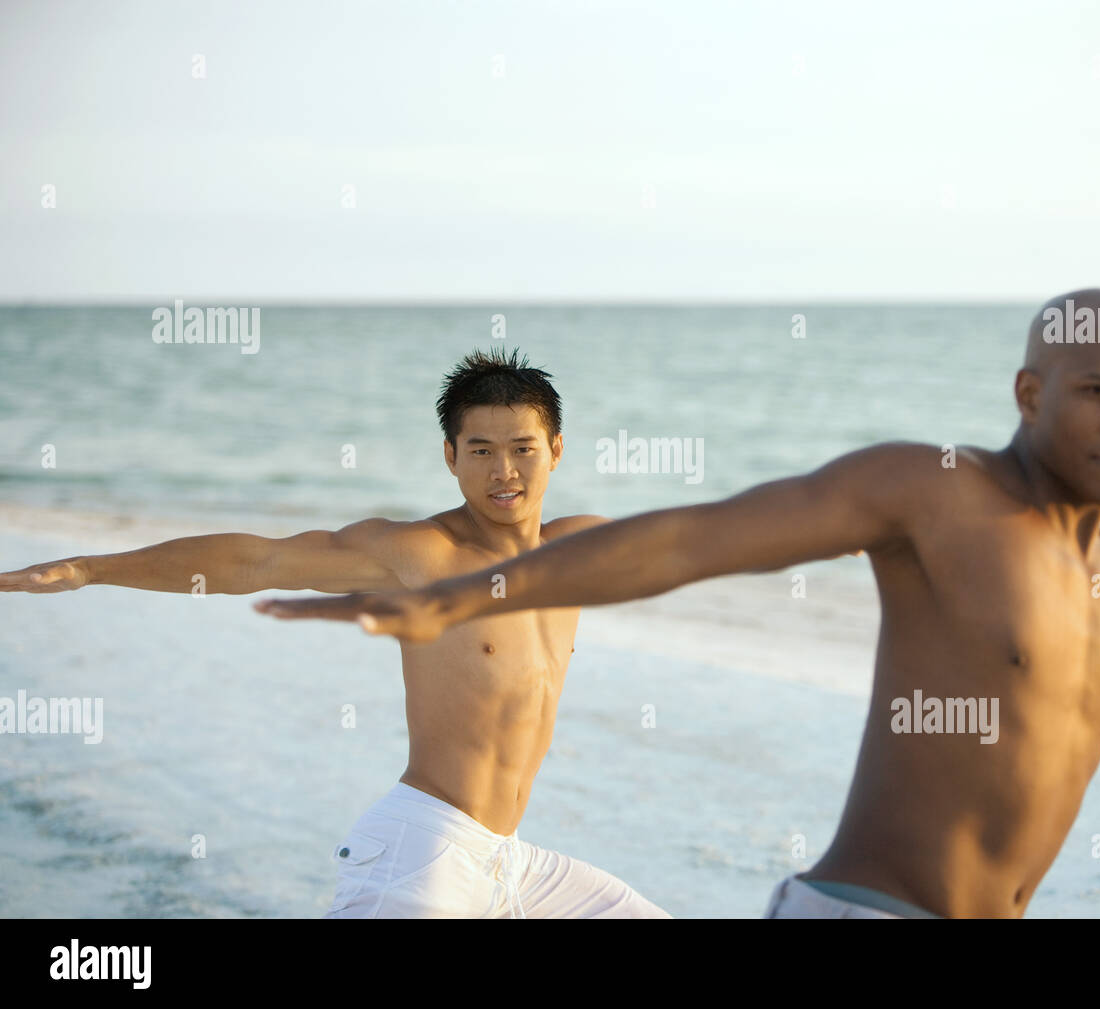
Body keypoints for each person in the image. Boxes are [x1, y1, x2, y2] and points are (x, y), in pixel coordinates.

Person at [255, 289, 1100, 918]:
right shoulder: (937, 495)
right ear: (1030, 393)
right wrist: (469, 593)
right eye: (1097, 389)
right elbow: (694, 538)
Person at [2, 348, 670, 919]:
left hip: (511, 862)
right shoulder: (423, 555)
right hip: (424, 851)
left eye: (523, 448)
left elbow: (705, 540)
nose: (505, 470)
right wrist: (90, 567)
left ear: (555, 449)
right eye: (482, 450)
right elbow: (257, 559)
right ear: (450, 456)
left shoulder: (580, 549)